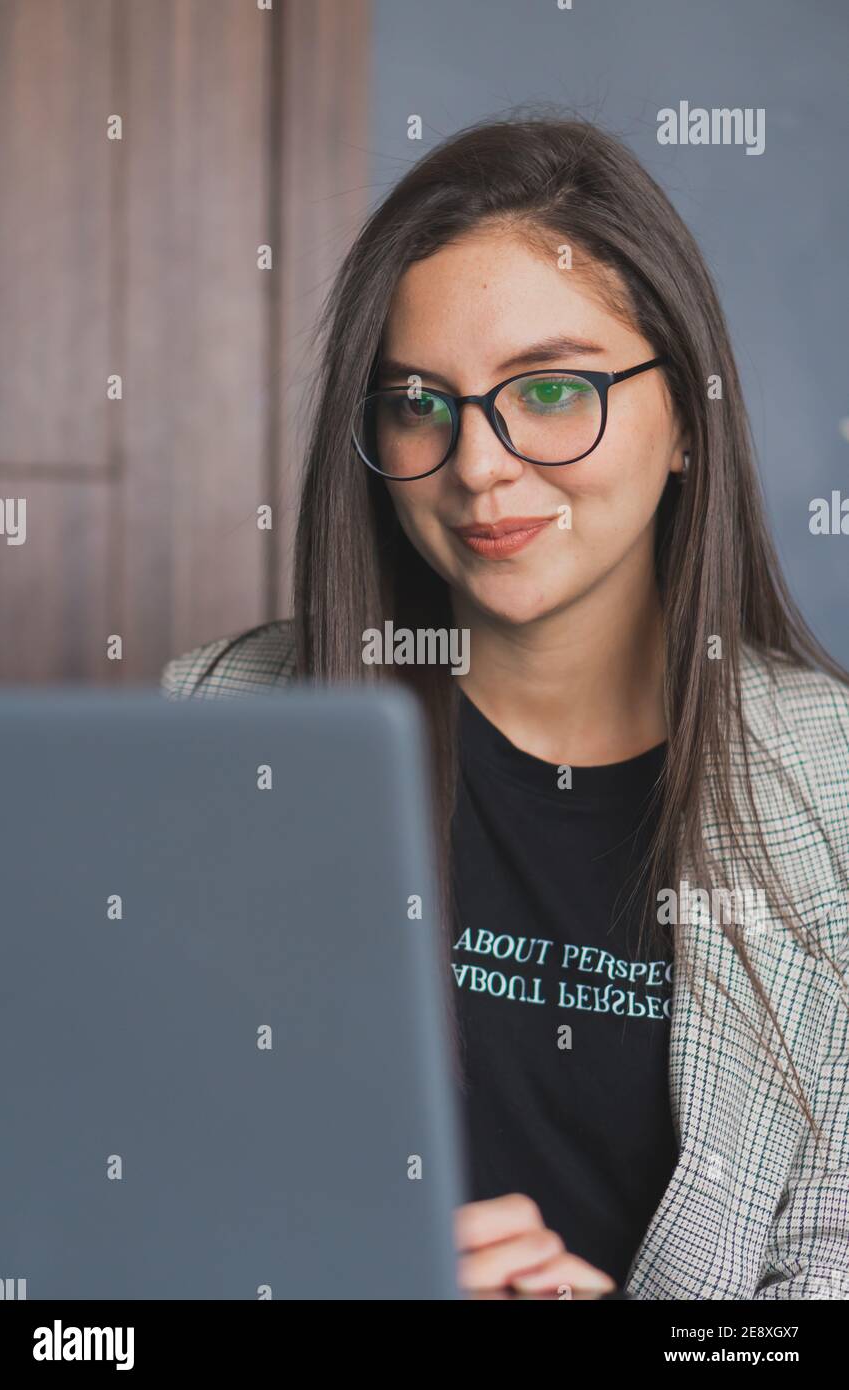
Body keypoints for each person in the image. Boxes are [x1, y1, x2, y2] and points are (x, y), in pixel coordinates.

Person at [162, 116, 849, 1300]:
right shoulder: (218, 724)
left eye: (546, 389)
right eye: (420, 403)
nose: (478, 465)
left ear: (685, 413)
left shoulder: (832, 791)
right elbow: (125, 1189)